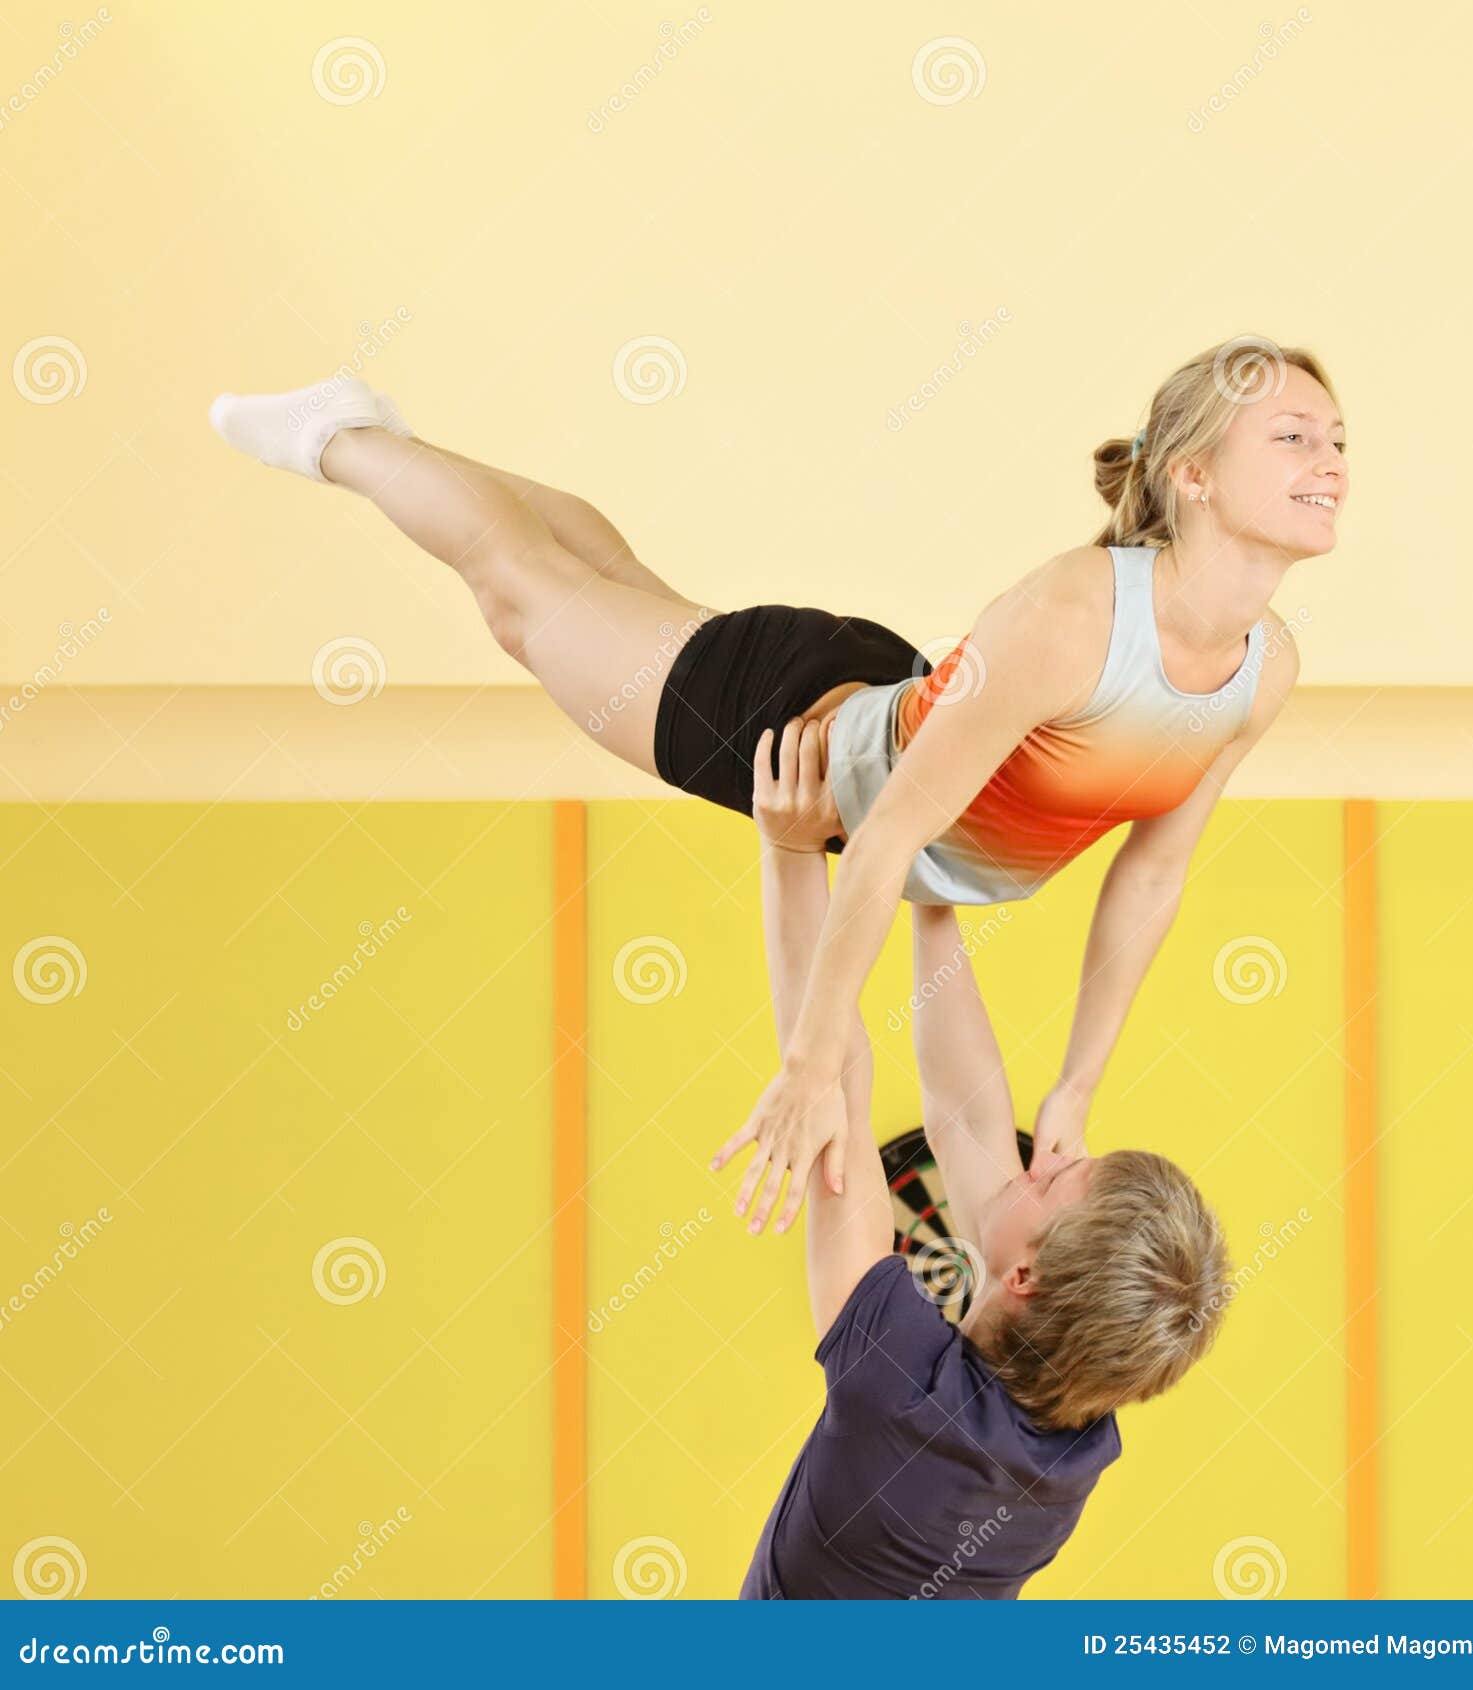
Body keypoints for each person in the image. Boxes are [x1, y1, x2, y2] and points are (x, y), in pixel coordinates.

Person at [208, 334, 1345, 1228]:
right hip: (790, 732)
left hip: (862, 693)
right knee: (522, 595)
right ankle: (344, 443)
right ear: (1191, 473)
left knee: (597, 581)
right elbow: (895, 832)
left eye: (1337, 439)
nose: (1331, 460)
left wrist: (1075, 1089)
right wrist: (808, 1058)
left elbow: (1151, 876)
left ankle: (405, 449)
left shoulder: (1264, 667)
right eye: (1294, 437)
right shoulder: (1080, 611)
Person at [740, 716, 1230, 1599]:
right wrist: (930, 884)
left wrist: (787, 846)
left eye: (1049, 1180)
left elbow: (836, 1095)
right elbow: (965, 1121)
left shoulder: (901, 1398)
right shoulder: (1070, 1443)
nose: (1037, 1161)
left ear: (1028, 1278)